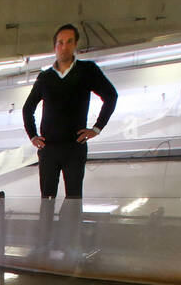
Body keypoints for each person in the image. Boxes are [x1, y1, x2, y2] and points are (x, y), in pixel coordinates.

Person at [23, 24, 118, 199]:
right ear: (55, 47)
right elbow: (28, 108)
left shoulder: (87, 70)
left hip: (74, 147)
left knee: (74, 197)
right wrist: (33, 135)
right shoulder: (45, 77)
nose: (64, 47)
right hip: (48, 147)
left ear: (75, 45)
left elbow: (111, 96)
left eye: (69, 42)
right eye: (60, 43)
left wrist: (97, 128)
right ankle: (47, 227)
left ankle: (72, 227)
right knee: (47, 198)